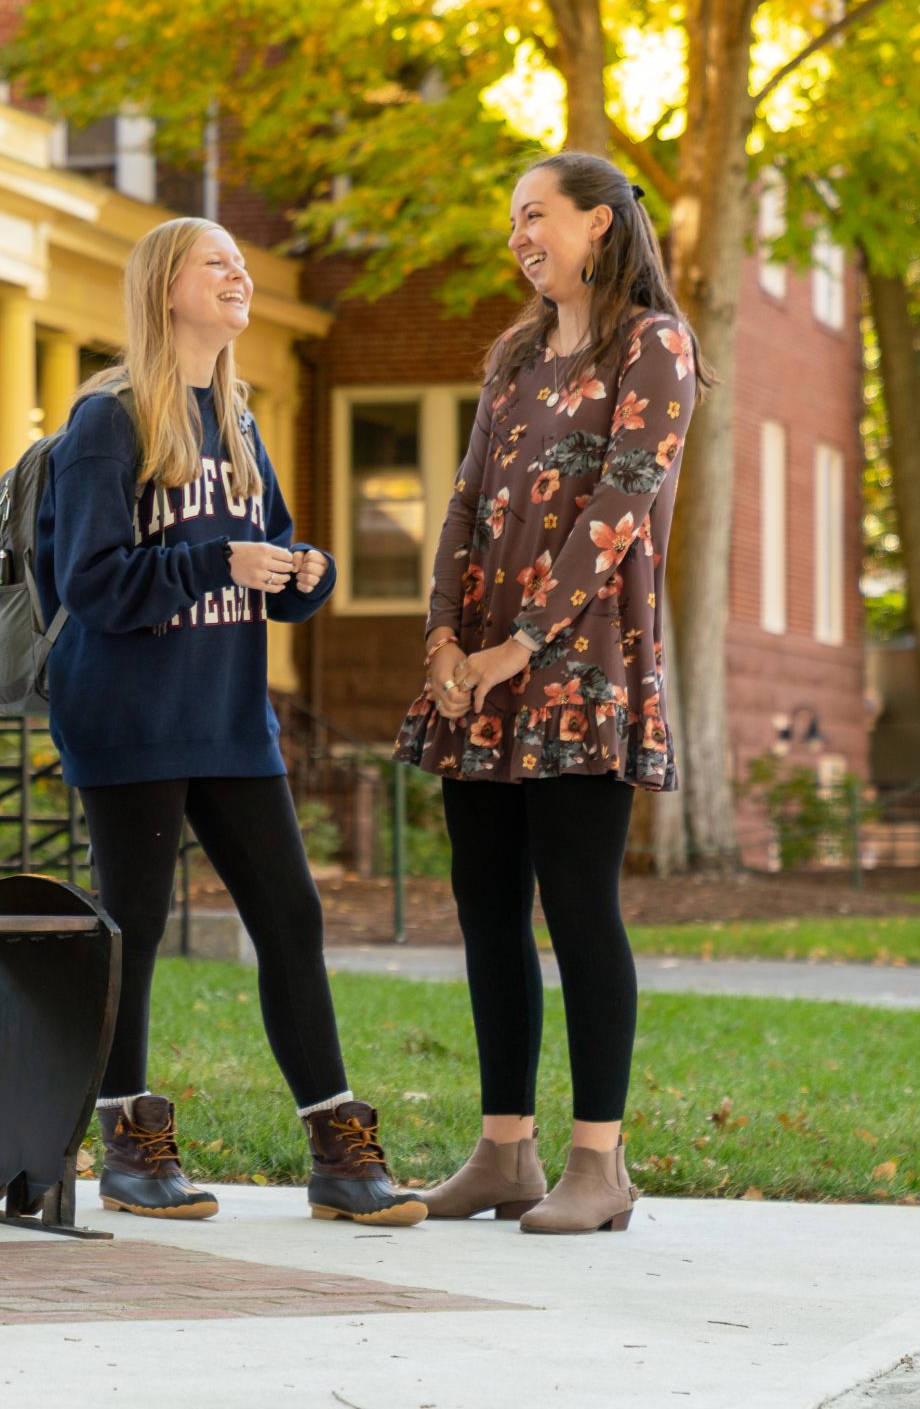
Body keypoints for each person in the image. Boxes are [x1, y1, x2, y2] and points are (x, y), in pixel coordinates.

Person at [36, 217, 423, 1228]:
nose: (239, 274)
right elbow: (89, 582)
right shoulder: (107, 422)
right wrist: (218, 563)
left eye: (241, 263)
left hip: (226, 709)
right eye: (217, 262)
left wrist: (304, 575)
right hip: (128, 713)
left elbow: (270, 552)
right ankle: (126, 1137)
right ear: (166, 289)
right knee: (137, 925)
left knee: (289, 915)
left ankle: (339, 1150)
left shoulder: (236, 420)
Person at [396, 152, 705, 1235]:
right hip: (478, 670)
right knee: (485, 911)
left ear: (600, 226)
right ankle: (503, 1151)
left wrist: (521, 642)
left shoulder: (654, 347)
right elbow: (467, 505)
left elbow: (619, 507)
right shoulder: (513, 358)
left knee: (577, 908)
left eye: (535, 214)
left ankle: (599, 1163)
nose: (519, 234)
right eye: (511, 219)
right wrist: (443, 631)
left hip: (583, 671)